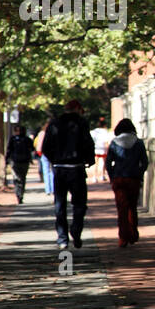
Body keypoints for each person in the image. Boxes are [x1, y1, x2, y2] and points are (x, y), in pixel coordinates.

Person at [41, 99, 92, 249]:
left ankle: (62, 238)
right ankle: (76, 229)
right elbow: (88, 143)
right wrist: (88, 160)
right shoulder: (82, 123)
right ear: (76, 108)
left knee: (60, 204)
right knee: (80, 203)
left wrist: (54, 160)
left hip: (60, 168)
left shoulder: (55, 123)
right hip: (76, 168)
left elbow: (46, 147)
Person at [104, 118, 148, 248]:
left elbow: (108, 163)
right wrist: (139, 174)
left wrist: (112, 177)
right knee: (132, 207)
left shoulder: (114, 143)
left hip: (119, 179)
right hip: (133, 179)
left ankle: (123, 238)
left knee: (121, 209)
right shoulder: (139, 143)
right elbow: (144, 162)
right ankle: (133, 233)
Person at [5, 124, 35, 204]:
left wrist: (7, 160)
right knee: (21, 179)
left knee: (18, 179)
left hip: (19, 161)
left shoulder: (14, 139)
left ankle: (19, 194)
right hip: (20, 162)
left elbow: (9, 150)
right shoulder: (26, 139)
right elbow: (32, 149)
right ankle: (19, 194)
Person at [89, 117, 112, 183]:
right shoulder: (105, 131)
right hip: (103, 149)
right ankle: (103, 175)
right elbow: (106, 141)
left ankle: (94, 176)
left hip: (96, 148)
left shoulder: (94, 131)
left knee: (96, 163)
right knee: (104, 163)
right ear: (104, 125)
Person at [34, 123, 53, 195]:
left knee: (46, 172)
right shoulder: (54, 132)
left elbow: (39, 145)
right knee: (52, 172)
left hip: (44, 154)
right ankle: (53, 189)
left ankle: (48, 190)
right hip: (52, 154)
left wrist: (40, 153)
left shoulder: (41, 133)